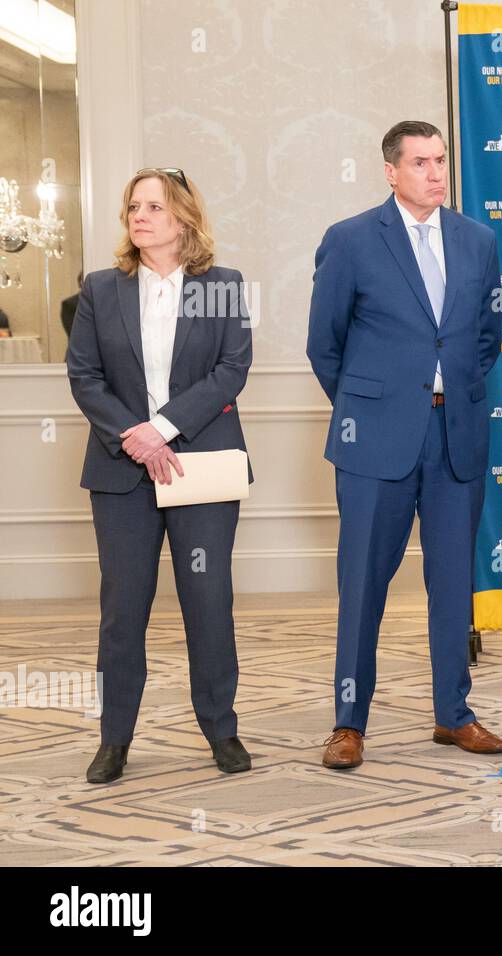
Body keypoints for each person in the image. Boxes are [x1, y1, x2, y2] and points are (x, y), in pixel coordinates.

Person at [307, 120, 502, 769]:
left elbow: (484, 338)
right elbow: (324, 343)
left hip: (457, 436)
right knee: (362, 585)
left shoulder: (478, 241)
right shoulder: (352, 239)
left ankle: (454, 714)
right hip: (375, 444)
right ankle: (348, 722)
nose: (435, 172)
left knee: (453, 583)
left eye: (441, 159)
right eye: (421, 162)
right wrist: (374, 408)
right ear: (391, 171)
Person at [66, 168, 253, 783]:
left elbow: (231, 369)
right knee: (123, 609)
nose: (138, 216)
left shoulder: (220, 285)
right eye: (132, 207)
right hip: (122, 472)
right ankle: (114, 740)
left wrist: (162, 429)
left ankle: (220, 730)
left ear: (184, 218)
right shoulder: (100, 288)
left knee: (208, 600)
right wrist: (136, 438)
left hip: (198, 465)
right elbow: (85, 378)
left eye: (153, 206)